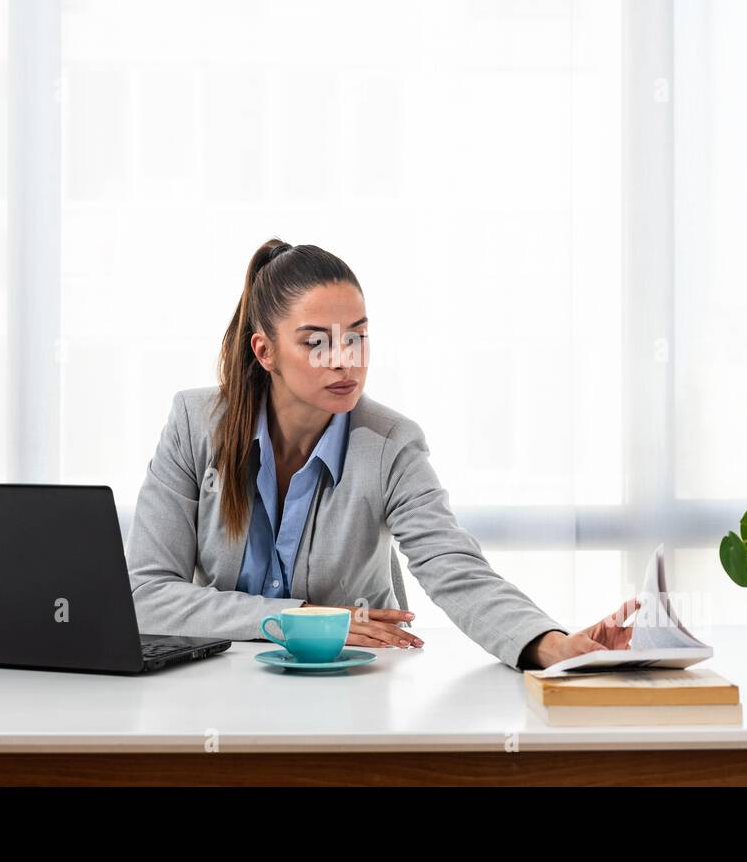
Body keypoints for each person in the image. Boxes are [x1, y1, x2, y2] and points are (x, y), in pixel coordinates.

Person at [125, 237, 639, 670]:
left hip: (356, 692)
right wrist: (296, 617)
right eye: (316, 342)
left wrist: (553, 648)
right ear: (265, 352)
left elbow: (455, 569)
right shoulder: (196, 424)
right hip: (217, 692)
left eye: (357, 336)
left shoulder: (391, 444)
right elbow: (145, 594)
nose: (344, 359)